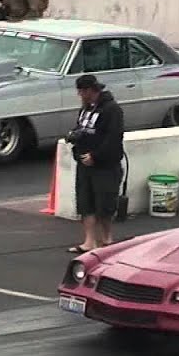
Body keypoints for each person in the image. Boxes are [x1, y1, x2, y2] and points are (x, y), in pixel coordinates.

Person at [67, 74, 125, 254]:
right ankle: (89, 241)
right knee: (86, 204)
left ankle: (107, 239)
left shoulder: (112, 110)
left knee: (105, 204)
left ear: (91, 90)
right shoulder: (85, 110)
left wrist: (96, 156)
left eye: (83, 92)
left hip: (105, 166)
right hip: (84, 164)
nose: (80, 95)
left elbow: (114, 138)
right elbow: (80, 129)